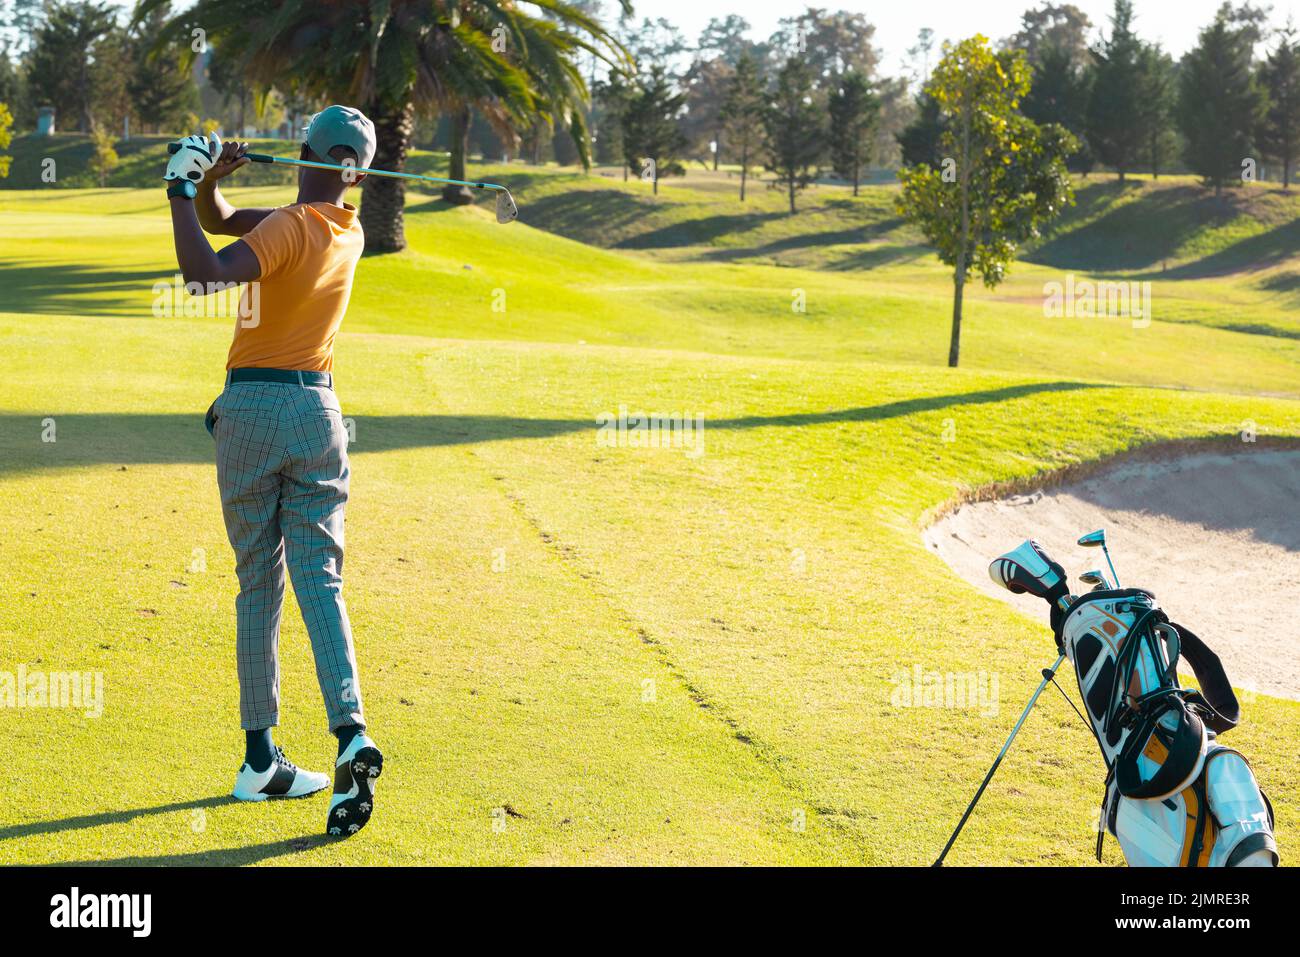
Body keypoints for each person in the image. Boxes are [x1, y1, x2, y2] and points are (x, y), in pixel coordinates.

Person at [163, 107, 382, 838]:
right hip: (317, 414)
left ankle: (260, 756)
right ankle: (348, 730)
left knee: (259, 581)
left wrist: (175, 189)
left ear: (306, 154)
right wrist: (209, 190)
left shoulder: (289, 227)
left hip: (251, 409)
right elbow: (228, 220)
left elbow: (202, 275)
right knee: (320, 578)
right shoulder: (344, 230)